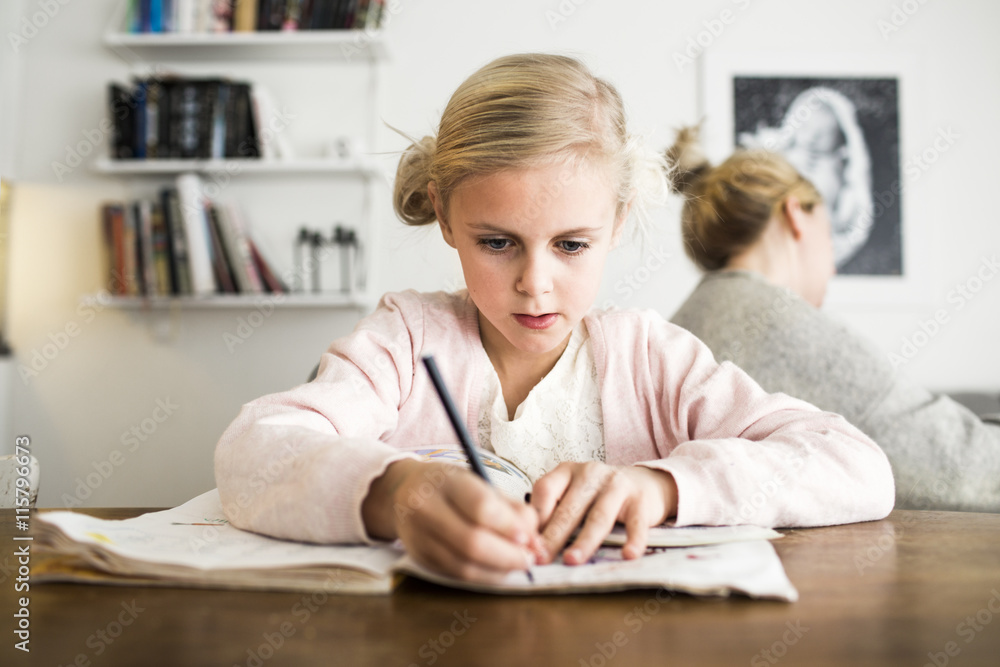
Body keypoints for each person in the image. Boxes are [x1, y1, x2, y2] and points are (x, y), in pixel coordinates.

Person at [214, 54, 894, 585]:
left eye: (571, 245)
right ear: (445, 216)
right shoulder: (405, 339)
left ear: (617, 222)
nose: (535, 284)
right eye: (497, 241)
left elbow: (858, 466)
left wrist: (661, 484)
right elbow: (252, 451)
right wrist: (395, 491)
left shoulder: (652, 360)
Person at [667, 126, 1000, 512]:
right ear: (796, 213)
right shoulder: (789, 329)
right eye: (829, 238)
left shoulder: (672, 330)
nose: (832, 269)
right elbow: (969, 472)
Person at [739, 87, 874, 268]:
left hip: (825, 216)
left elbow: (852, 185)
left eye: (822, 134)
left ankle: (821, 226)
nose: (811, 138)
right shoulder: (789, 152)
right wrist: (790, 159)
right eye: (806, 128)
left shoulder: (838, 161)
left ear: (840, 137)